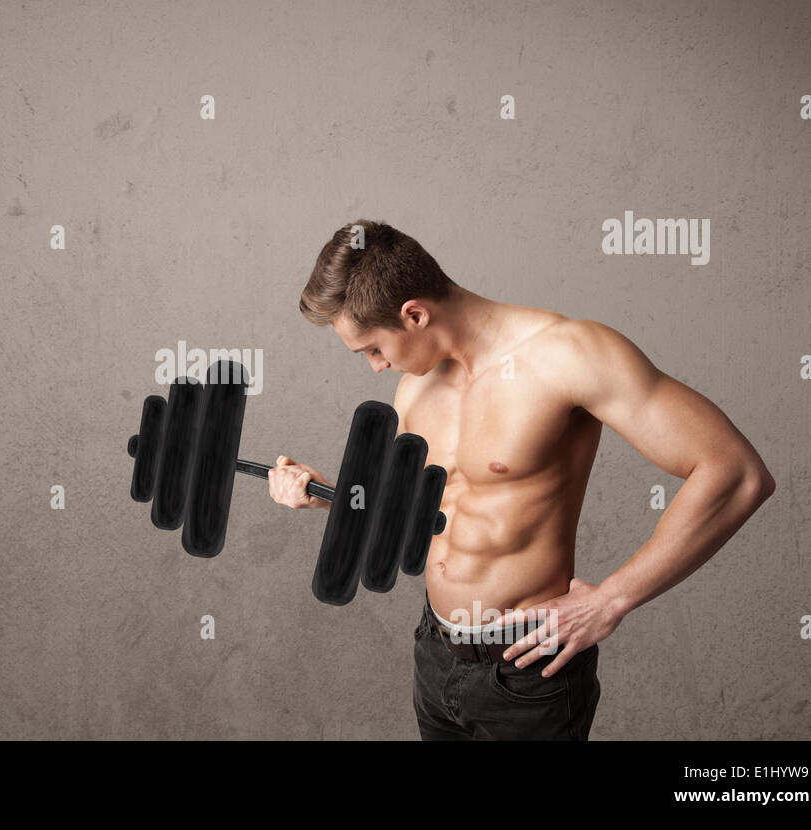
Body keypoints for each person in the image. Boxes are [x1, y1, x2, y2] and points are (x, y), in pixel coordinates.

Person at [267, 220, 775, 740]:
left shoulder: (568, 353)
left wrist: (611, 600)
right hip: (435, 654)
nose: (376, 367)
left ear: (414, 314)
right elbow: (428, 521)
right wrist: (332, 497)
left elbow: (734, 473)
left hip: (527, 671)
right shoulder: (415, 389)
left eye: (372, 349)